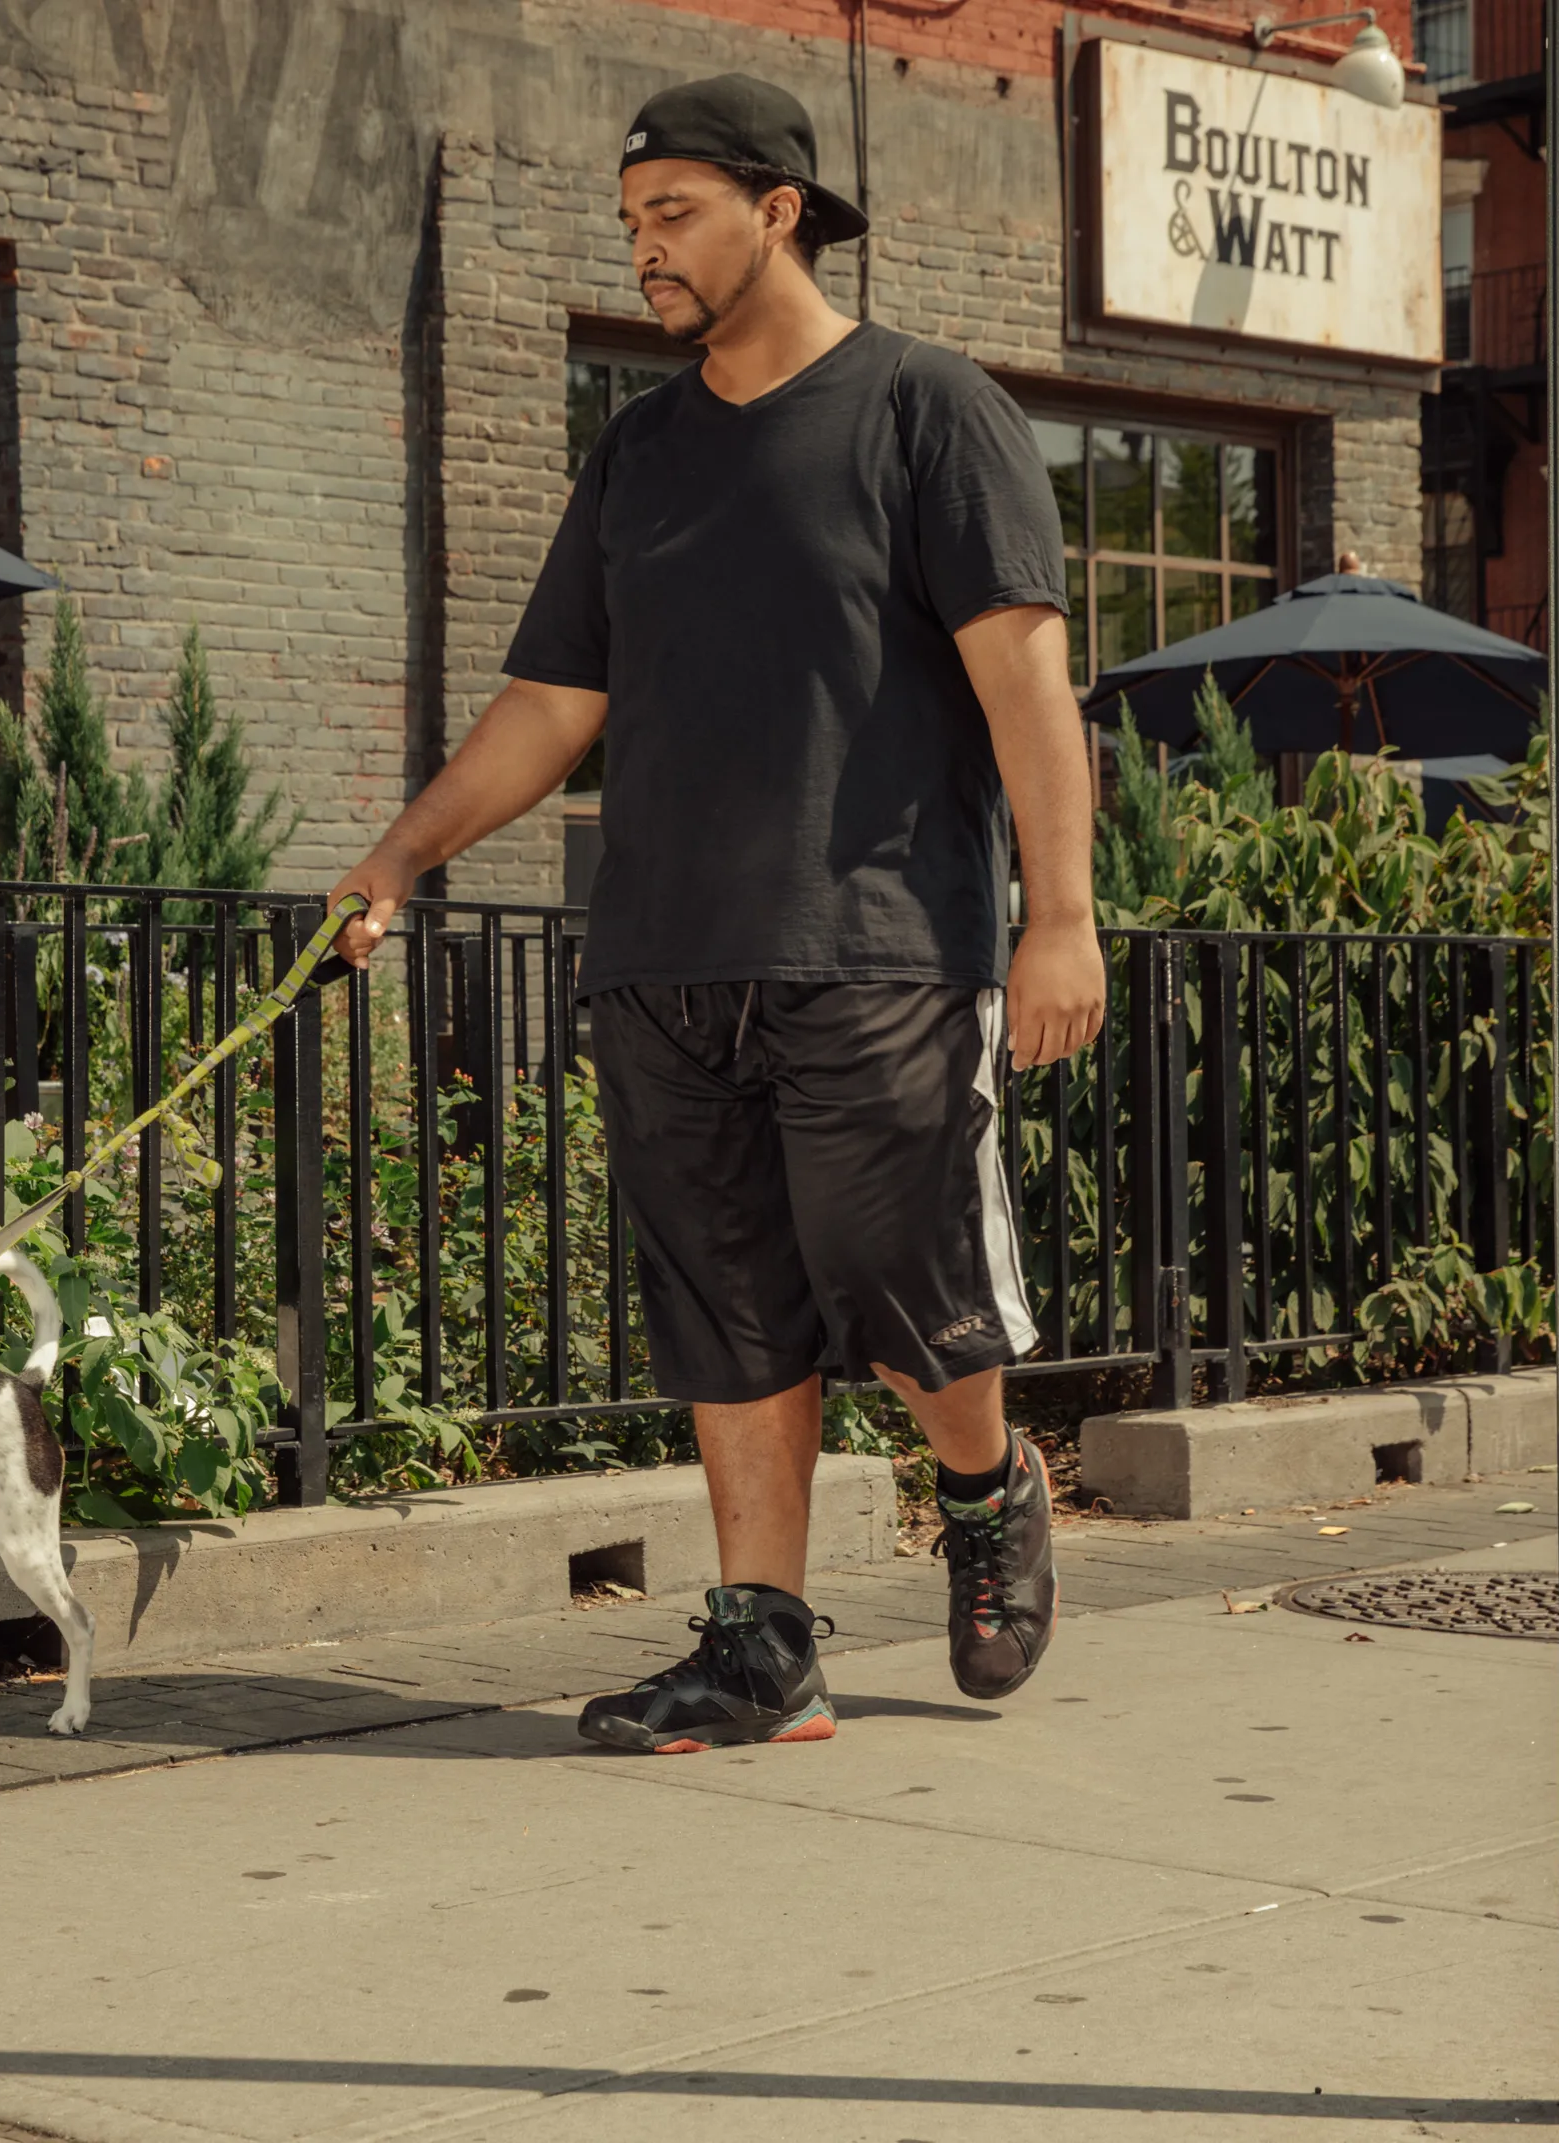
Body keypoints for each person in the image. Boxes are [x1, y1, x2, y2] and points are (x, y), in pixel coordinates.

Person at [327, 73, 1107, 1753]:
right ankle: (765, 1644)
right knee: (727, 1300)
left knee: (906, 1283)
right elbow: (551, 701)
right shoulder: (639, 453)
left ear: (780, 209)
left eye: (672, 213)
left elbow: (1028, 686)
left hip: (886, 941)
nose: (645, 251)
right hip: (667, 952)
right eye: (630, 223)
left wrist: (1064, 918)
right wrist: (404, 851)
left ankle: (986, 1483)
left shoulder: (927, 410)